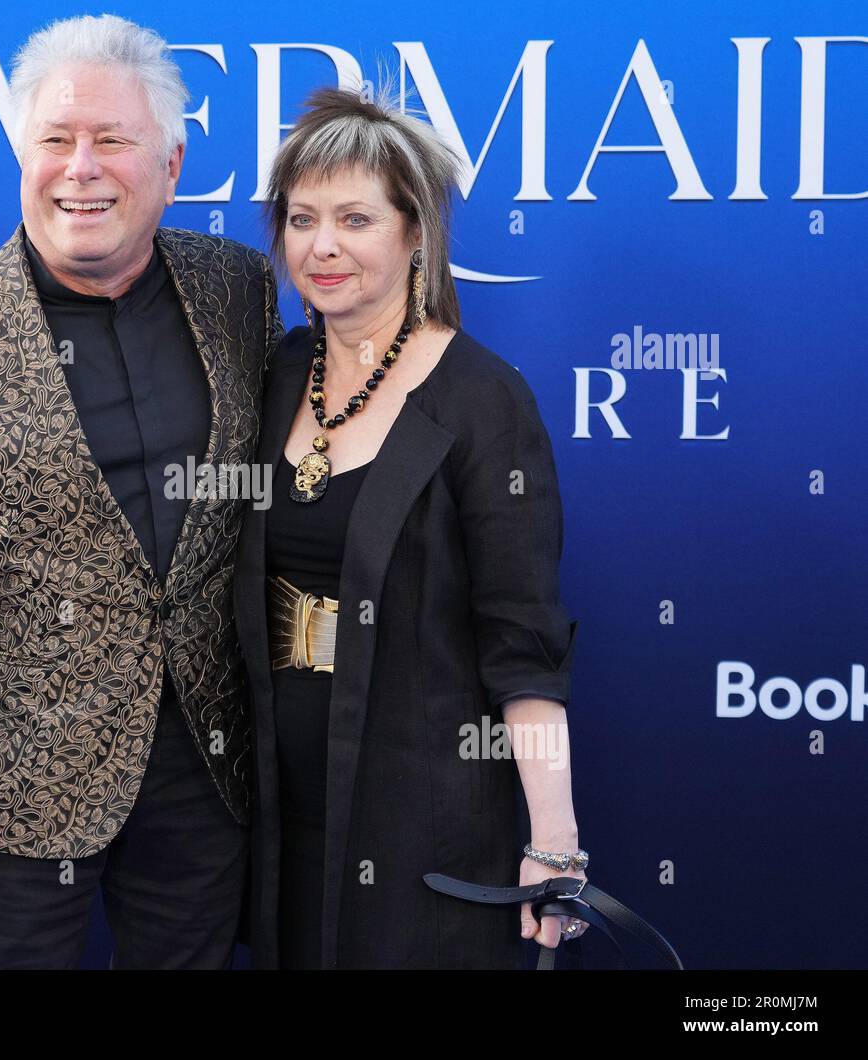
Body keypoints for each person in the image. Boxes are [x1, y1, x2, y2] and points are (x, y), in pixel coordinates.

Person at [0, 14, 282, 969]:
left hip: (205, 774)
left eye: (111, 141)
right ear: (21, 158)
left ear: (170, 164)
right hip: (10, 782)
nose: (80, 167)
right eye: (54, 140)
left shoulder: (240, 290)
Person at [231, 82, 587, 969]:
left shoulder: (483, 402)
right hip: (276, 820)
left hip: (422, 828)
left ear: (415, 232)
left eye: (355, 219)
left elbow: (524, 645)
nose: (321, 247)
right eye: (302, 219)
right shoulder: (271, 376)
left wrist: (556, 841)